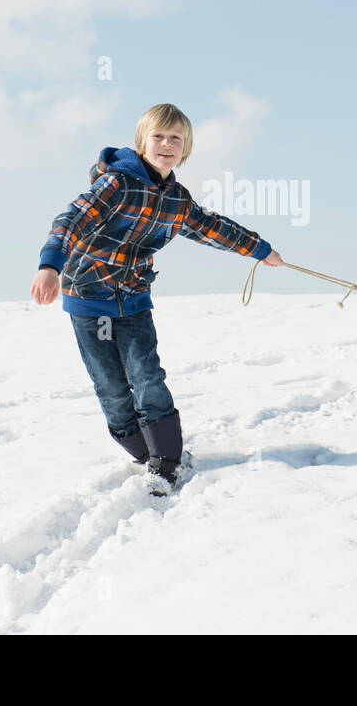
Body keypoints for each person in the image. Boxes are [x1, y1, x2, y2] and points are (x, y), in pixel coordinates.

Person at [31, 103, 283, 491]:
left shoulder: (176, 201)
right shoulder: (116, 185)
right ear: (142, 142)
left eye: (176, 138)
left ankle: (166, 461)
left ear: (186, 148)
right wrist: (50, 264)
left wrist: (258, 249)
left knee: (146, 375)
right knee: (112, 388)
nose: (167, 144)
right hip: (88, 300)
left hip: (132, 299)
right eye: (158, 137)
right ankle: (144, 453)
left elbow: (211, 227)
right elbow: (72, 219)